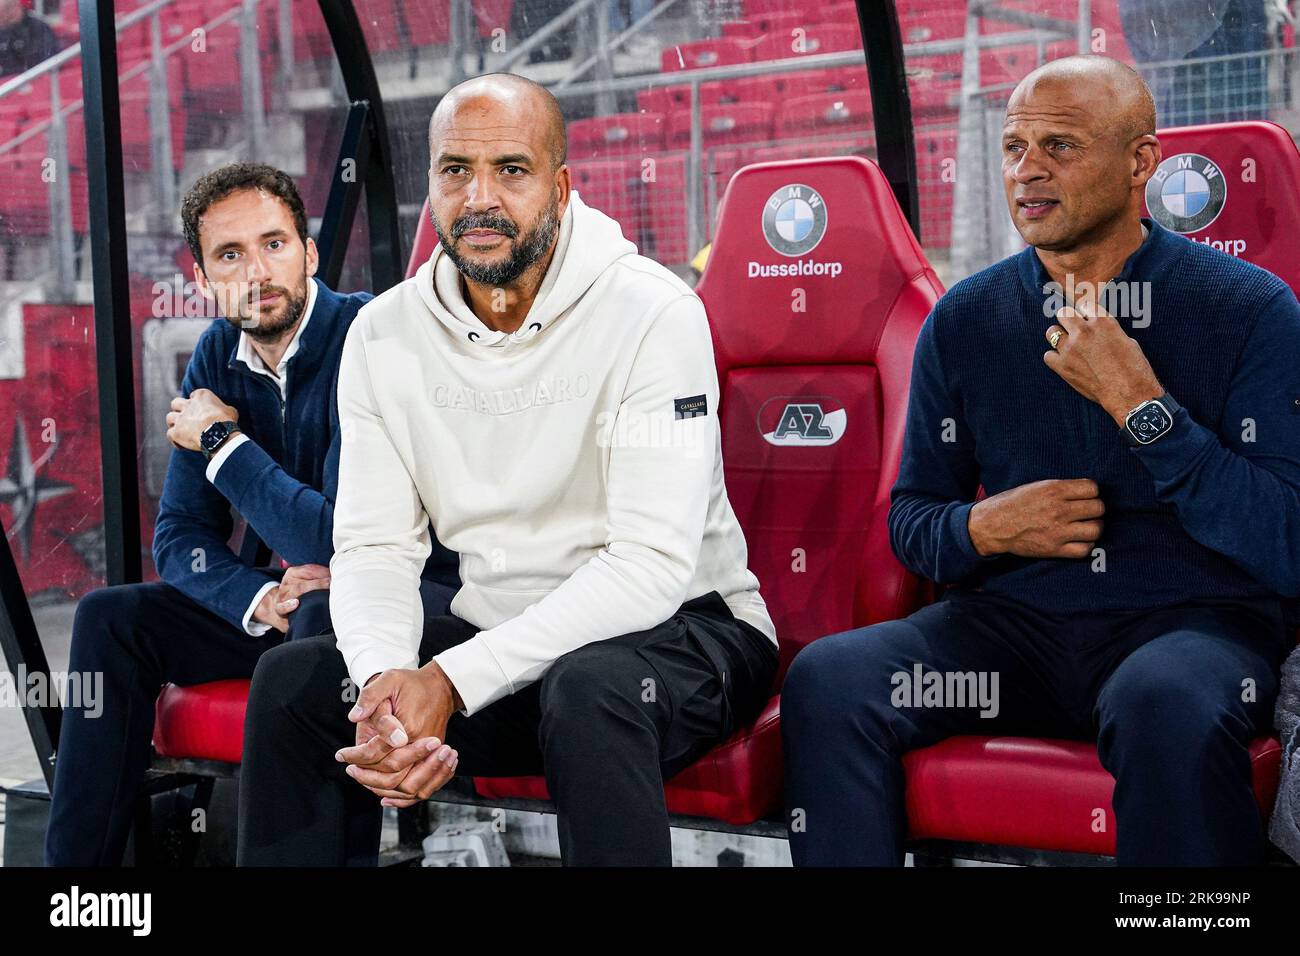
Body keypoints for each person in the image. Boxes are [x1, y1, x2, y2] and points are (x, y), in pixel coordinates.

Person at [236, 73, 778, 867]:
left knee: (590, 691)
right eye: (455, 170)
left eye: (511, 170)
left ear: (560, 187)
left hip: (687, 631)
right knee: (297, 685)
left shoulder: (654, 313)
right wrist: (389, 687)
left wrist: (449, 683)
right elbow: (376, 549)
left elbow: (649, 567)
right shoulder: (385, 335)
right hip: (506, 641)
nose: (479, 197)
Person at [782, 54, 1300, 866]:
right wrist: (982, 528)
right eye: (1015, 146)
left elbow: (1288, 542)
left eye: (1060, 146)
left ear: (1140, 163)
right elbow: (914, 519)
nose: (1028, 171)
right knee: (832, 676)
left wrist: (1144, 409)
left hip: (1193, 627)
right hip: (1011, 640)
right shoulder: (966, 318)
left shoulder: (1252, 309)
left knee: (1162, 696)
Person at [44, 163, 457, 866]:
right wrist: (261, 598)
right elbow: (180, 537)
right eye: (230, 255)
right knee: (111, 619)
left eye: (274, 244)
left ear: (310, 253)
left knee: (327, 621)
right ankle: (75, 892)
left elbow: (344, 542)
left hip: (414, 605)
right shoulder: (217, 354)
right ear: (201, 280)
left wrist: (219, 443)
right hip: (304, 607)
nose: (256, 271)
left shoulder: (371, 338)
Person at [0, 0, 58, 77]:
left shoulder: (38, 28)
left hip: (33, 81)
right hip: (7, 84)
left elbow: (44, 62)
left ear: (11, 10)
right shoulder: (3, 31)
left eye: (1, 15)